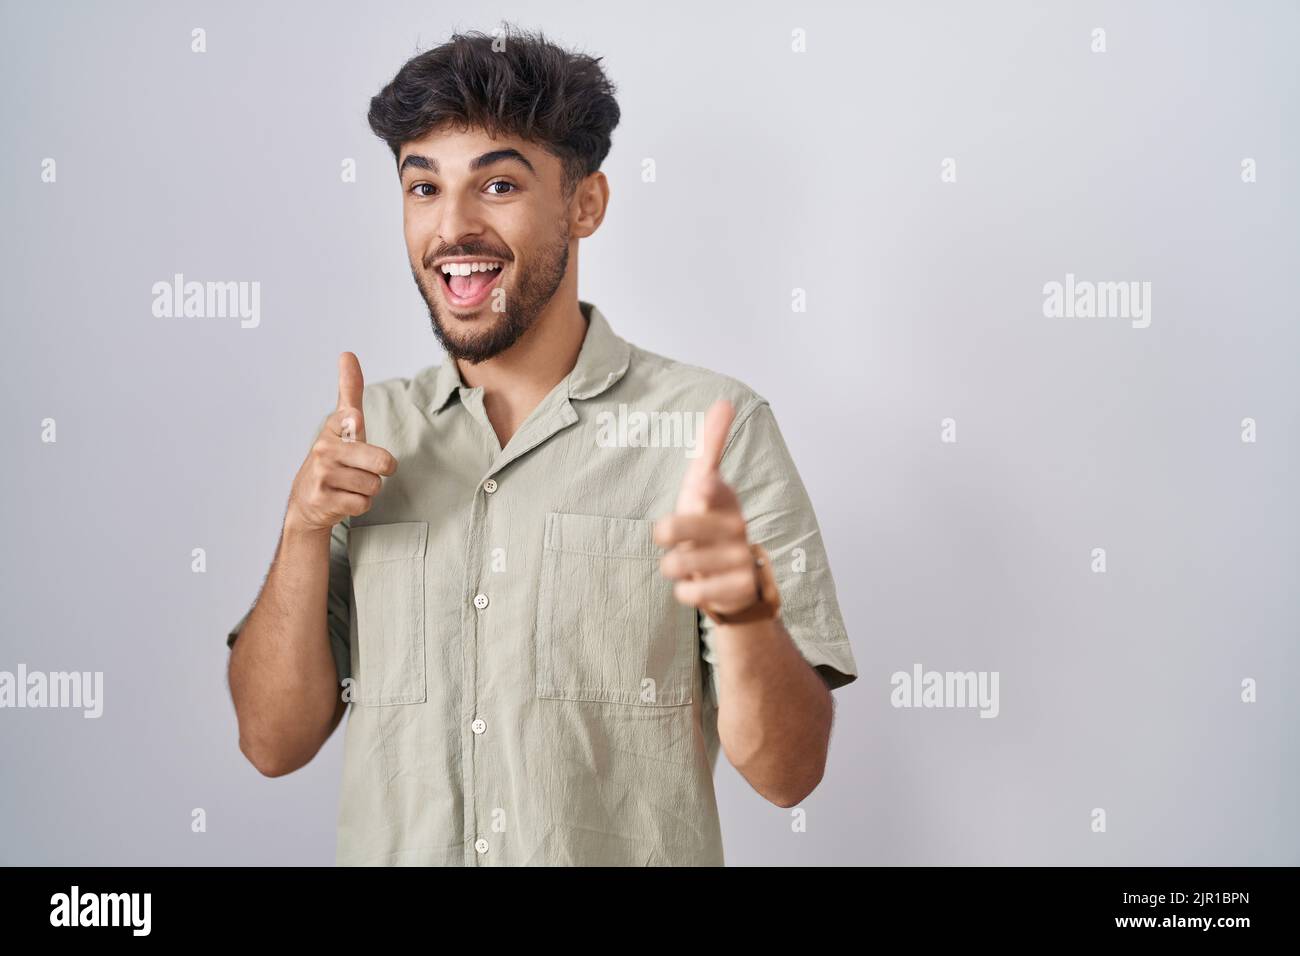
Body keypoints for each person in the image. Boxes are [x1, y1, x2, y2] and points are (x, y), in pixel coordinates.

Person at [225, 24, 858, 866]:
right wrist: (303, 532)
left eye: (497, 184)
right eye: (423, 188)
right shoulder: (364, 437)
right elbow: (272, 744)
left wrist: (745, 612)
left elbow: (790, 774)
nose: (452, 228)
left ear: (584, 203)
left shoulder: (716, 429)